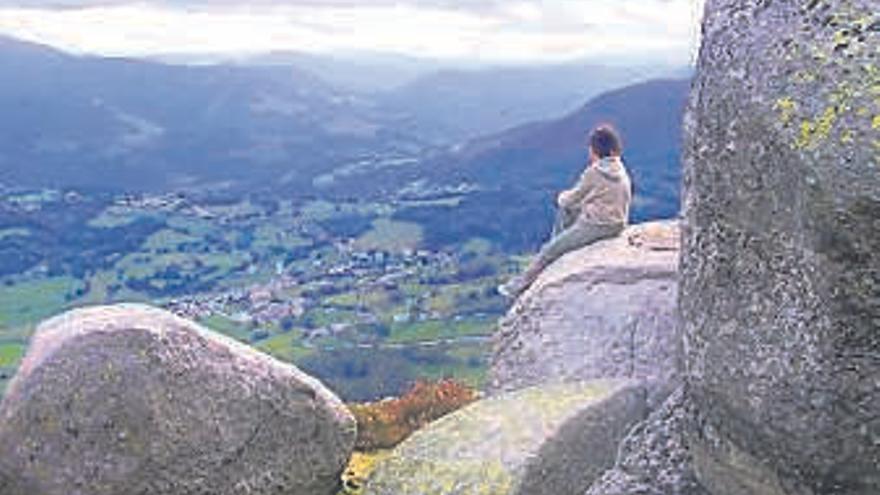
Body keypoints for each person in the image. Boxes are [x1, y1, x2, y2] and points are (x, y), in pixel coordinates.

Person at [498, 124, 632, 298]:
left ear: (594, 150)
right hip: (618, 222)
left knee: (549, 248)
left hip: (598, 225)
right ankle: (559, 247)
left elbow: (571, 199)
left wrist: (560, 197)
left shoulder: (595, 172)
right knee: (569, 212)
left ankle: (517, 286)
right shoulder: (619, 167)